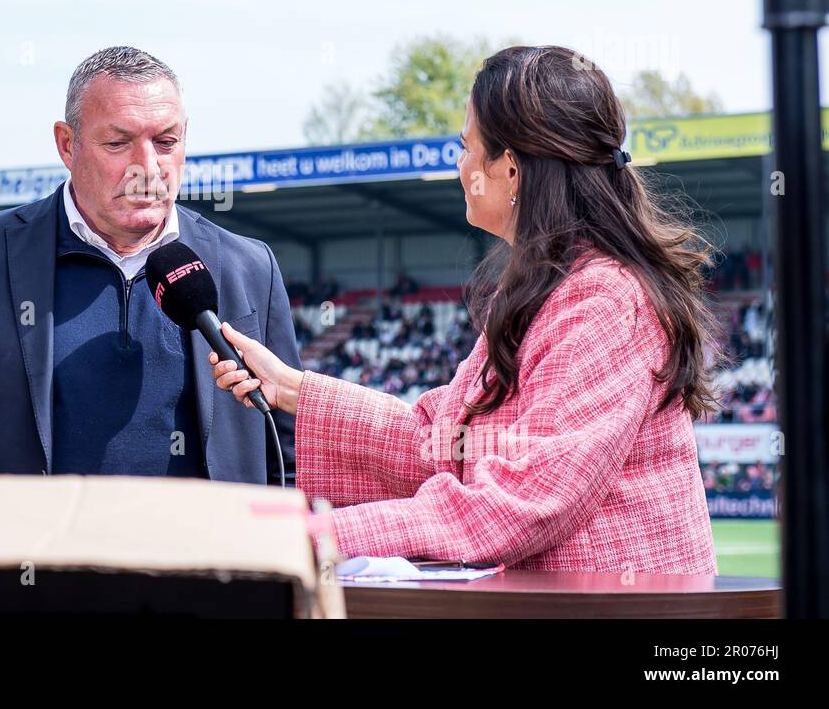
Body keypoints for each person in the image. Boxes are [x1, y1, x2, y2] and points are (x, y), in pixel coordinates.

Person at [207, 45, 719, 574]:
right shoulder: (550, 290)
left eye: (467, 147)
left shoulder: (606, 301)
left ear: (512, 170)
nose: (460, 164)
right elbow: (449, 441)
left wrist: (318, 534)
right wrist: (289, 388)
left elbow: (526, 499)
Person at [0, 46, 298, 483]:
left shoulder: (249, 267)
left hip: (208, 558)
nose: (147, 167)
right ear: (67, 144)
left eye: (166, 142)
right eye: (118, 143)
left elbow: (291, 456)